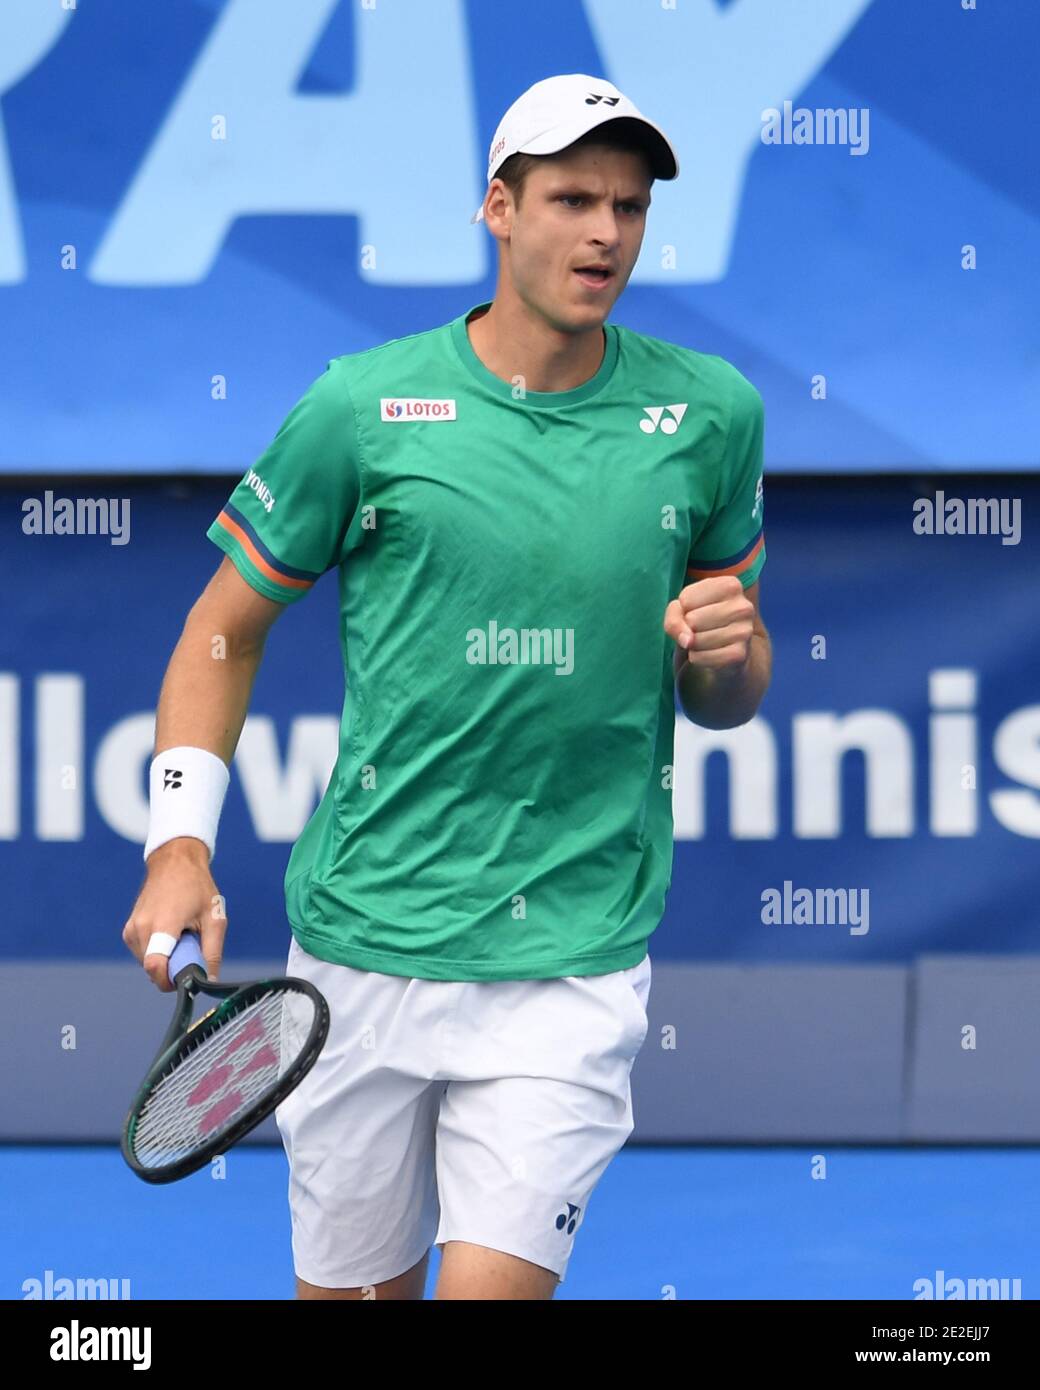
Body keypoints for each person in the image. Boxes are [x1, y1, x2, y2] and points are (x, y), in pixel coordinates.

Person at [122, 72, 771, 1301]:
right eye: (573, 199)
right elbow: (220, 631)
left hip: (569, 961)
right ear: (497, 208)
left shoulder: (709, 414)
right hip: (359, 952)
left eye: (627, 208)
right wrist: (176, 844)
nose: (604, 235)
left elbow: (725, 694)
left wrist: (728, 661)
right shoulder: (359, 409)